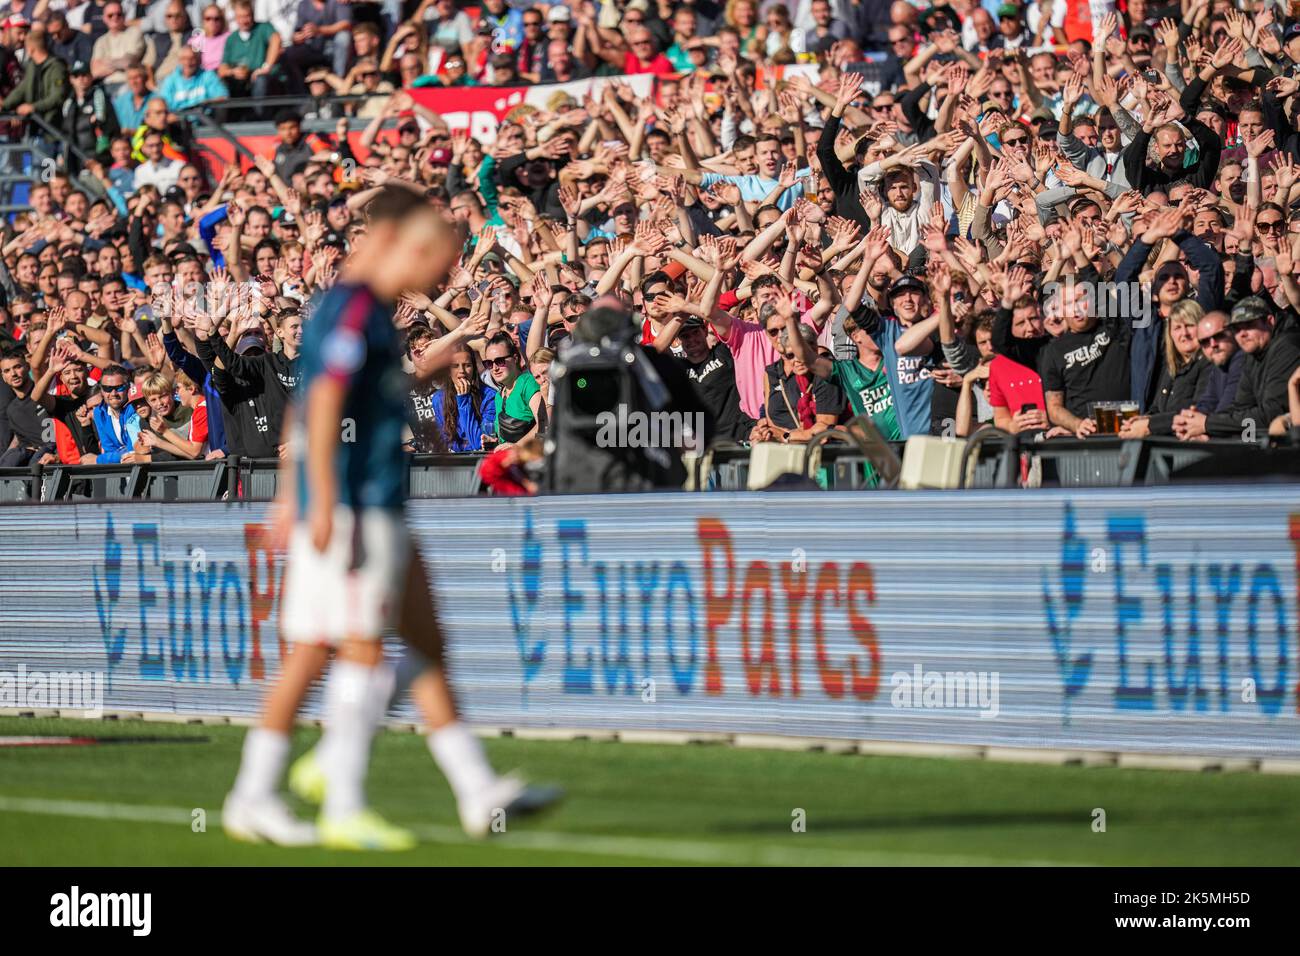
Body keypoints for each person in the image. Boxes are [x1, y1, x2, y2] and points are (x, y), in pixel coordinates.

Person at [223, 186, 558, 849]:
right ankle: (328, 794)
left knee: (418, 644)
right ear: (401, 241)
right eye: (436, 259)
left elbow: (339, 398)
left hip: (374, 500)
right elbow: (319, 407)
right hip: (353, 503)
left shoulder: (366, 313)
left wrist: (413, 378)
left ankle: (473, 788)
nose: (438, 276)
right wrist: (314, 499)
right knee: (356, 652)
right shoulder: (351, 309)